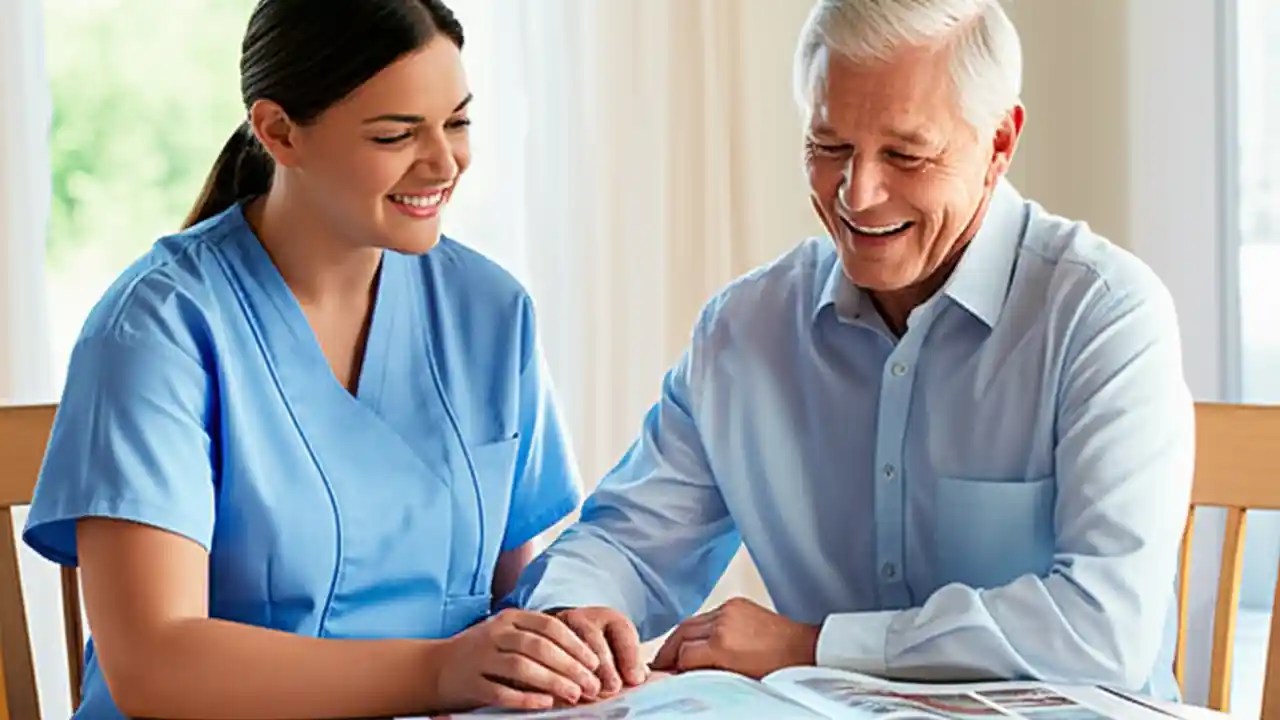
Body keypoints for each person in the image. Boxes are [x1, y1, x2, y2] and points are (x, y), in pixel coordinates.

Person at [506, 0, 1193, 704]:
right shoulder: (746, 331)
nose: (857, 194)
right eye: (829, 146)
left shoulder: (1104, 315)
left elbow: (1105, 631)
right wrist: (572, 618)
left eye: (905, 154)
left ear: (999, 143)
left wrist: (810, 645)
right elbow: (628, 542)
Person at [23, 1, 605, 718]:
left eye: (457, 122)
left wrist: (565, 631)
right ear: (278, 131)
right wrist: (438, 671)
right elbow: (153, 664)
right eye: (396, 134)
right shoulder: (158, 329)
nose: (444, 162)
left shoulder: (489, 310)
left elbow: (514, 592)